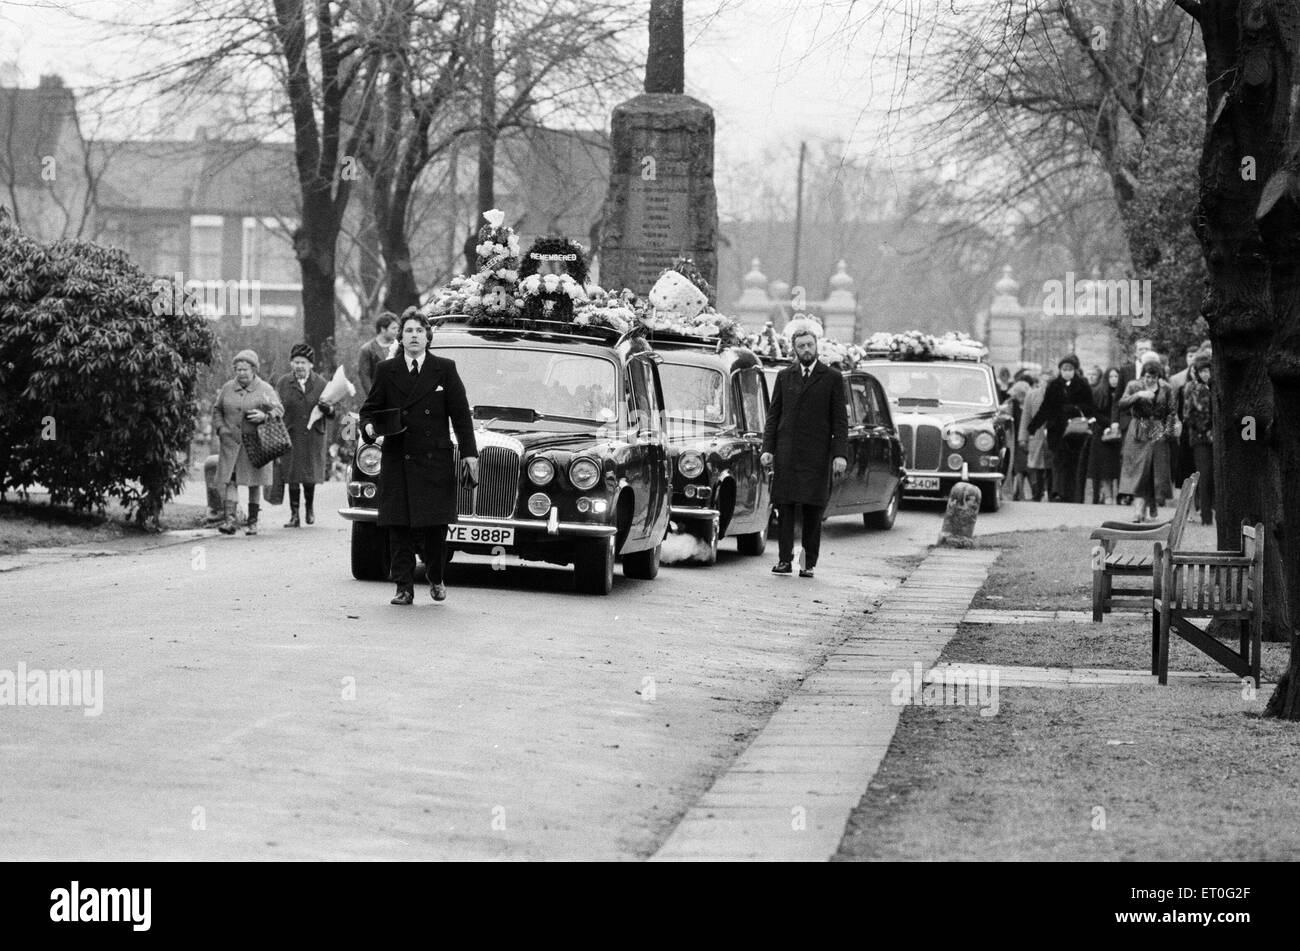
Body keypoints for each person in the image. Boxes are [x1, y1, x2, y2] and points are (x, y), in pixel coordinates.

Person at [359, 309, 479, 605]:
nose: (414, 335)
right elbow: (369, 408)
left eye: (419, 330)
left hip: (434, 460)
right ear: (400, 337)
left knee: (435, 527)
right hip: (398, 458)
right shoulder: (387, 370)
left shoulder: (444, 369)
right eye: (408, 330)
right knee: (397, 525)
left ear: (428, 336)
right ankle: (403, 586)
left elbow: (461, 416)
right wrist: (370, 427)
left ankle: (436, 575)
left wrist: (469, 455)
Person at [760, 328, 848, 579]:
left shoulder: (831, 377)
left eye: (810, 345)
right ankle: (784, 560)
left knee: (812, 509)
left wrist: (839, 454)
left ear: (816, 346)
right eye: (801, 346)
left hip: (818, 454)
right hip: (787, 453)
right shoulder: (785, 377)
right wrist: (768, 449)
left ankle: (808, 563)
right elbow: (773, 416)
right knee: (785, 506)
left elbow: (840, 421)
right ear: (794, 350)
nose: (806, 350)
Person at [211, 349, 285, 536]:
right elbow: (217, 410)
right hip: (231, 443)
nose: (241, 373)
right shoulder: (227, 388)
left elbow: (279, 410)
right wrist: (221, 429)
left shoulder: (265, 389)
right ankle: (230, 520)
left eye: (245, 369)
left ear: (254, 370)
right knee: (231, 480)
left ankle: (252, 522)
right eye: (238, 369)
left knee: (254, 482)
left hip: (255, 443)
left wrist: (265, 415)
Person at [275, 343, 336, 527]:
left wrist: (328, 408)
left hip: (312, 435)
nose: (299, 366)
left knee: (309, 475)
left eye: (303, 362)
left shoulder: (321, 384)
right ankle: (294, 515)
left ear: (311, 364)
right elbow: (277, 406)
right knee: (292, 474)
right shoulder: (283, 383)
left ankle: (309, 508)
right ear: (291, 364)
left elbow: (333, 412)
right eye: (295, 362)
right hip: (291, 433)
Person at [1028, 354, 1095, 502]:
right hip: (1056, 429)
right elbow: (1045, 408)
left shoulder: (1083, 384)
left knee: (1072, 462)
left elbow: (1090, 406)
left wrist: (1074, 408)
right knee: (1058, 461)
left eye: (1070, 369)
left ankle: (1071, 494)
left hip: (1075, 431)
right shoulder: (1054, 385)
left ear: (1075, 370)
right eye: (1064, 369)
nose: (1067, 371)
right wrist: (1033, 426)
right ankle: (1057, 492)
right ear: (1060, 370)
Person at [1117, 354, 1176, 521]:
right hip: (1138, 431)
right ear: (1143, 375)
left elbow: (1172, 412)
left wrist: (1168, 433)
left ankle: (1152, 503)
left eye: (1154, 377)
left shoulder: (1166, 388)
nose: (1150, 380)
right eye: (1148, 376)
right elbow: (1121, 404)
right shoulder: (1134, 385)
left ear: (1159, 377)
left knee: (1154, 472)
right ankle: (1138, 511)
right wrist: (1139, 395)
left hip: (1157, 431)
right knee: (1138, 471)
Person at [1182, 350, 1214, 525]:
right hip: (1200, 438)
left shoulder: (1215, 387)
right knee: (1204, 476)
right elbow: (1189, 415)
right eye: (1202, 371)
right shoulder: (1193, 388)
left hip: (1214, 438)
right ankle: (1206, 517)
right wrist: (1206, 430)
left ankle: (1212, 515)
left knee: (1213, 477)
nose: (1206, 374)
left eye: (1208, 370)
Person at [1088, 367, 1124, 504]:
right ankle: (1108, 495)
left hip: (1119, 433)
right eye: (1111, 377)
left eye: (1116, 377)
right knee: (1105, 467)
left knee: (1119, 467)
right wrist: (1109, 425)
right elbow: (1096, 412)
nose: (1114, 380)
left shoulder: (1123, 393)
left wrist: (1117, 424)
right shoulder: (1099, 392)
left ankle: (1121, 496)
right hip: (1103, 433)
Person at [1019, 368, 1054, 501]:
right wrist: (1023, 437)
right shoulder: (1031, 395)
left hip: (1052, 436)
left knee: (1051, 467)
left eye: (1049, 381)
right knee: (1036, 467)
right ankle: (1037, 493)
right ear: (1039, 381)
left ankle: (1051, 494)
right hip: (1036, 436)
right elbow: (1026, 417)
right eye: (1044, 381)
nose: (1046, 383)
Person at [357, 312, 399, 402]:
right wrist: (374, 398)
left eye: (397, 328)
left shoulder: (399, 347)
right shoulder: (367, 349)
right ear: (383, 329)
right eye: (394, 328)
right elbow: (365, 377)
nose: (397, 331)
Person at [1006, 379, 1032, 500]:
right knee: (1018, 468)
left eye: (1022, 394)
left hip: (1027, 439)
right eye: (1018, 394)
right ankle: (1020, 493)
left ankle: (1021, 493)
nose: (1020, 397)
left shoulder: (1030, 403)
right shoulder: (1011, 404)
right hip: (1015, 441)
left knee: (1026, 467)